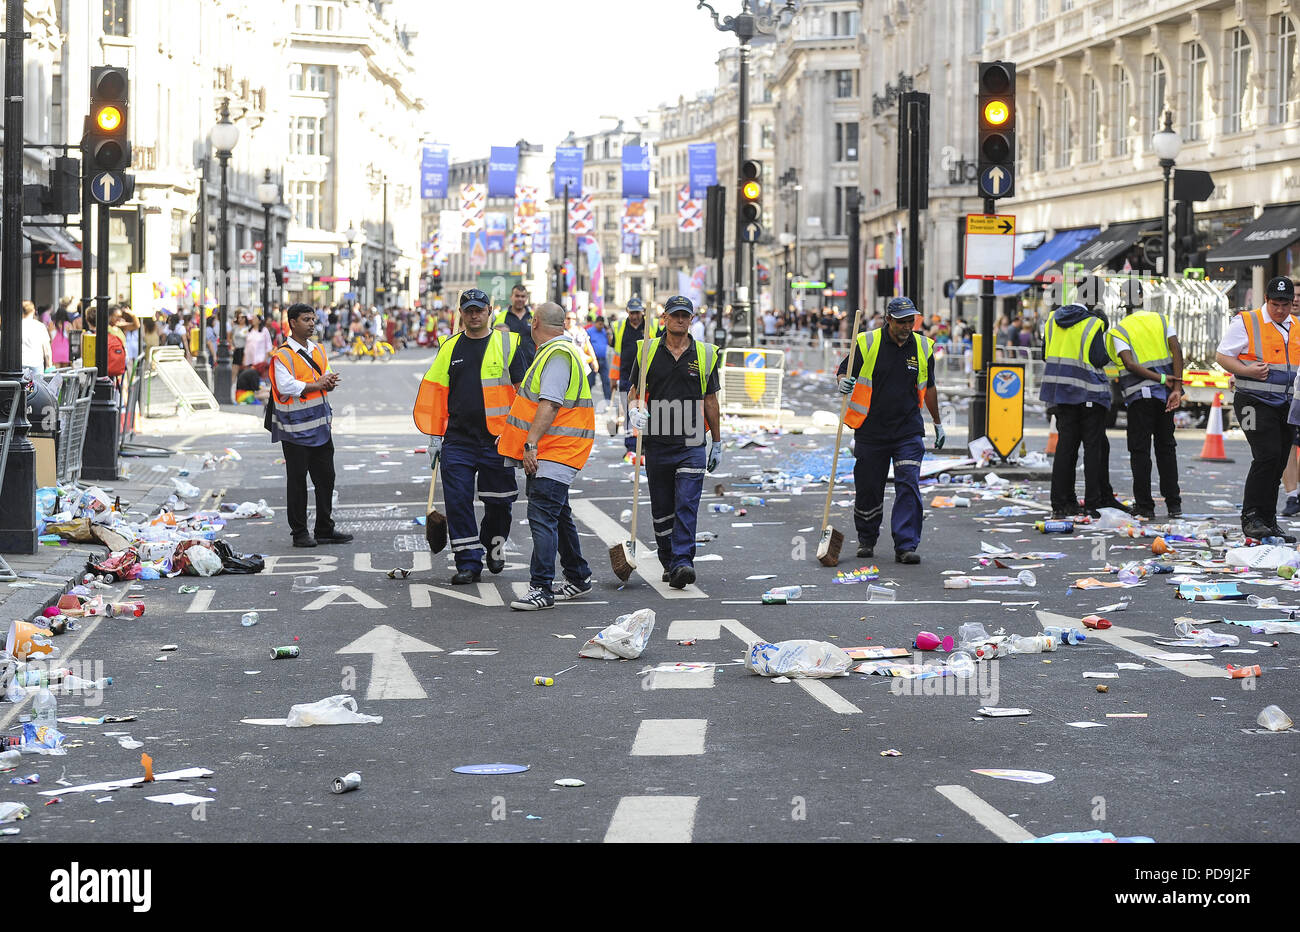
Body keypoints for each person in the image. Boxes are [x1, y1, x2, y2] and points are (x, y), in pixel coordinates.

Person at [412, 289, 524, 584]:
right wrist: (436, 437)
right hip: (458, 440)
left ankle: (494, 545)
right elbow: (437, 393)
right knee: (458, 501)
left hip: (497, 440)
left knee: (499, 501)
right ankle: (468, 562)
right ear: (460, 313)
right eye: (468, 310)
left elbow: (522, 393)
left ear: (489, 311)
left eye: (479, 310)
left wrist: (520, 435)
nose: (474, 315)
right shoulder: (449, 347)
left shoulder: (507, 344)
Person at [498, 302, 596, 610]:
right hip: (559, 450)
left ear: (535, 322)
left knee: (541, 517)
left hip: (554, 452)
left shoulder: (556, 355)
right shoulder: (559, 353)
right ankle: (578, 576)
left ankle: (541, 588)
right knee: (559, 514)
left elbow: (550, 404)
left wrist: (531, 445)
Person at [625, 295, 722, 588]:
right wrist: (633, 410)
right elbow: (634, 391)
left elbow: (711, 401)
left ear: (691, 319)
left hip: (692, 442)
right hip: (657, 442)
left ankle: (683, 561)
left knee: (687, 505)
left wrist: (717, 441)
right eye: (675, 315)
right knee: (662, 509)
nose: (680, 320)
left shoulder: (704, 354)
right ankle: (669, 560)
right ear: (664, 318)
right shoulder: (647, 351)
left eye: (685, 315)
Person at [837, 296, 943, 564]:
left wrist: (937, 423)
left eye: (911, 321)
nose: (908, 327)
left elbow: (929, 387)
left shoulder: (922, 346)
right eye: (902, 322)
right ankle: (867, 538)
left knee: (908, 483)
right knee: (868, 487)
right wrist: (843, 382)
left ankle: (906, 545)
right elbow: (843, 371)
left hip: (907, 430)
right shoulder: (867, 342)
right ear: (888, 320)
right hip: (871, 431)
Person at [1222, 276, 1300, 540]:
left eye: (1285, 304)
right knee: (1266, 455)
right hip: (1254, 401)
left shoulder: (1296, 326)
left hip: (1286, 405)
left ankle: (1268, 519)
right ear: (1266, 300)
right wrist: (1246, 371)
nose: (1280, 310)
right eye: (1276, 304)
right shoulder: (1246, 321)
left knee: (1278, 460)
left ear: (1293, 303)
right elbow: (1222, 356)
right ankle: (1252, 516)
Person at [269, 303, 353, 548]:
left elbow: (322, 375)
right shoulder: (281, 355)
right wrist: (318, 385)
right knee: (297, 482)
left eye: (313, 319)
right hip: (294, 429)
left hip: (320, 427)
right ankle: (300, 533)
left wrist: (328, 382)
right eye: (306, 319)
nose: (311, 324)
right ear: (292, 323)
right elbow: (286, 387)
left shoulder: (318, 350)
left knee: (326, 478)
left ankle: (325, 529)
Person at [1040, 291, 1126, 519]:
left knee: (1065, 448)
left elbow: (1044, 354)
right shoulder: (1094, 323)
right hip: (1089, 394)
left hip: (1060, 393)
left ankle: (1061, 503)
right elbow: (1099, 358)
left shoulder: (1052, 320)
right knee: (1093, 448)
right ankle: (1092, 503)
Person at [1107, 291, 1184, 520]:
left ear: (1123, 304)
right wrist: (1176, 387)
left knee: (1140, 451)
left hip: (1140, 397)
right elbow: (1177, 350)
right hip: (1166, 395)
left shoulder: (1119, 330)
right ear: (1141, 299)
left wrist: (1160, 379)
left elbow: (1129, 364)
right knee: (1166, 448)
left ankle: (1145, 506)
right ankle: (1174, 504)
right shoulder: (1161, 320)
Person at [610, 297, 658, 462]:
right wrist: (613, 378)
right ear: (627, 312)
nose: (635, 316)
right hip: (625, 376)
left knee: (646, 411)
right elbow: (617, 355)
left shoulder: (651, 326)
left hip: (646, 376)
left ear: (643, 312)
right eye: (632, 313)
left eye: (638, 313)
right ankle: (631, 447)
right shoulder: (619, 327)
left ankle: (644, 445)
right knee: (630, 412)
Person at [494, 284, 536, 369]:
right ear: (511, 297)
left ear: (526, 298)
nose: (520, 299)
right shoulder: (501, 317)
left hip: (531, 365)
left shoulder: (534, 317)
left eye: (523, 296)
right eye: (517, 296)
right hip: (508, 366)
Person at [21, 301, 51, 371]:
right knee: (38, 382)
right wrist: (48, 364)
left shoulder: (17, 326)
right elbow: (46, 348)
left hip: (21, 362)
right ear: (33, 311)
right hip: (36, 362)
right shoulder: (40, 326)